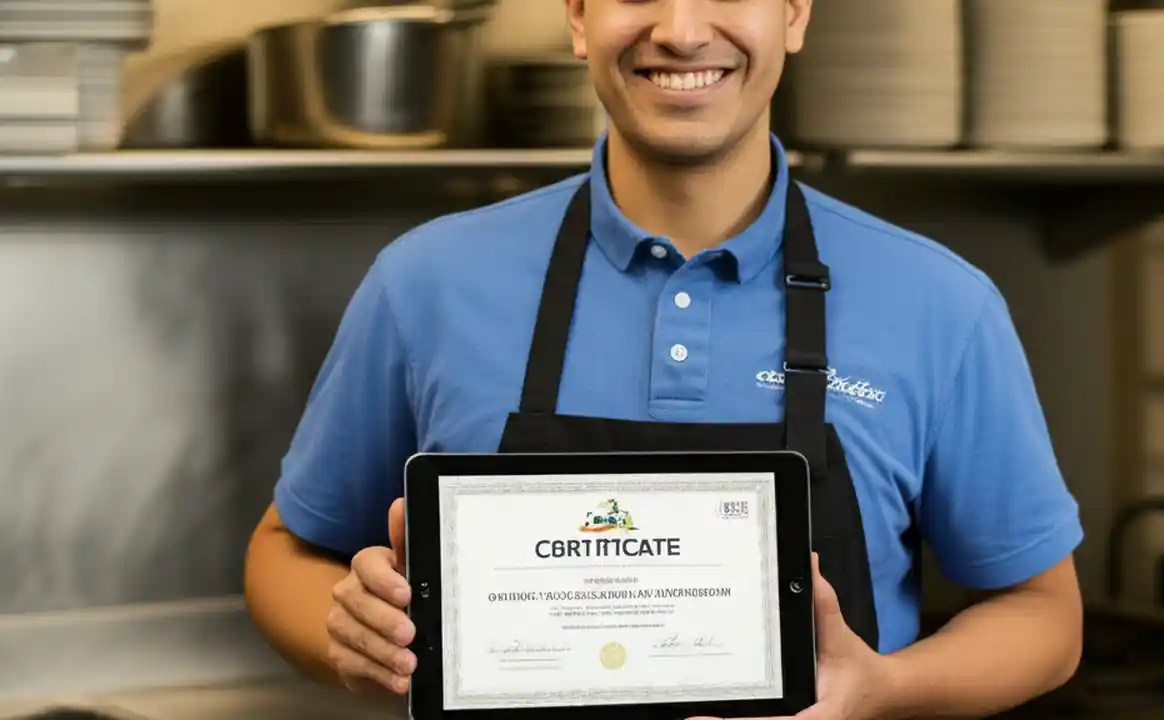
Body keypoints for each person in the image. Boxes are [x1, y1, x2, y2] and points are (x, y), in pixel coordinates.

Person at [243, 0, 1085, 717]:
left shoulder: (941, 303)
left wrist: (883, 688)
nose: (681, 31)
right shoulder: (424, 283)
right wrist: (349, 629)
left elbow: (1043, 614)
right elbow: (283, 551)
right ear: (578, 15)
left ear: (794, 12)